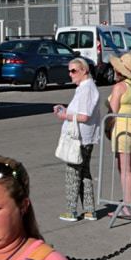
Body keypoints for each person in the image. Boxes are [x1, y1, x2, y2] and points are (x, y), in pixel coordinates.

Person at [55, 58, 101, 221]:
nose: (70, 74)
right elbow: (81, 111)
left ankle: (71, 211)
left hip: (80, 138)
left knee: (72, 173)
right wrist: (66, 110)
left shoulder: (86, 88)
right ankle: (89, 210)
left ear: (84, 70)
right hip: (84, 137)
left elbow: (84, 116)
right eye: (69, 70)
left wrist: (64, 115)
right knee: (84, 172)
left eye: (74, 71)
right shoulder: (84, 88)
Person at [106, 53, 131, 218]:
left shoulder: (119, 87)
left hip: (124, 128)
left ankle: (128, 205)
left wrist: (107, 129)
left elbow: (112, 110)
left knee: (125, 169)